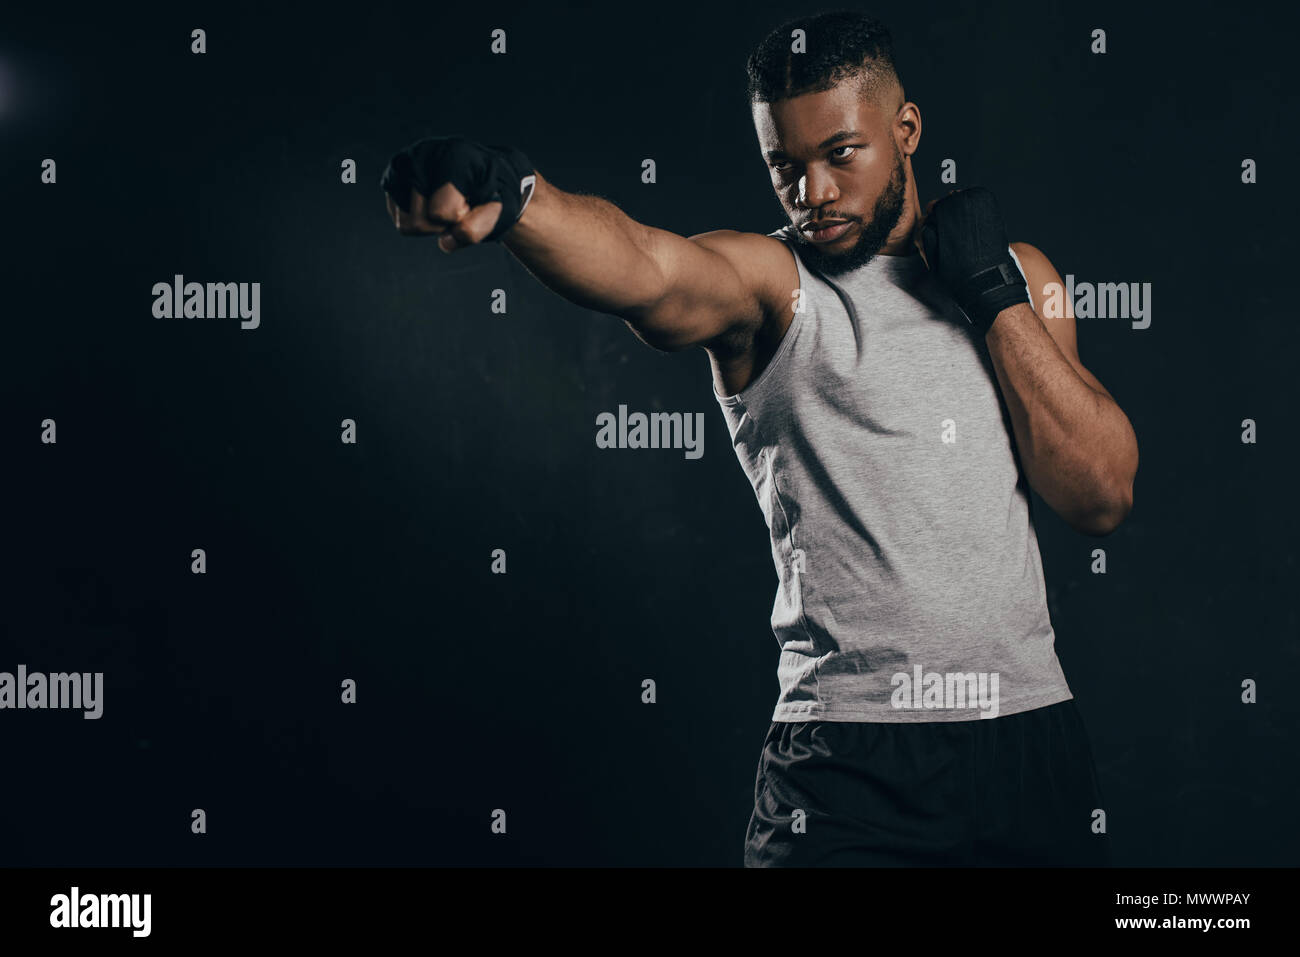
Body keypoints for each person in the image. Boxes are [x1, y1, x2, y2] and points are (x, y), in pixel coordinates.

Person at [380, 10, 1138, 867]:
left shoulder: (1021, 276)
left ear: (907, 129)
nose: (812, 194)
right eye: (786, 166)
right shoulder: (774, 288)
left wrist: (994, 295)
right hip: (851, 765)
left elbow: (1101, 492)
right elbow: (648, 268)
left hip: (1028, 740)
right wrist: (519, 196)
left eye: (840, 155)